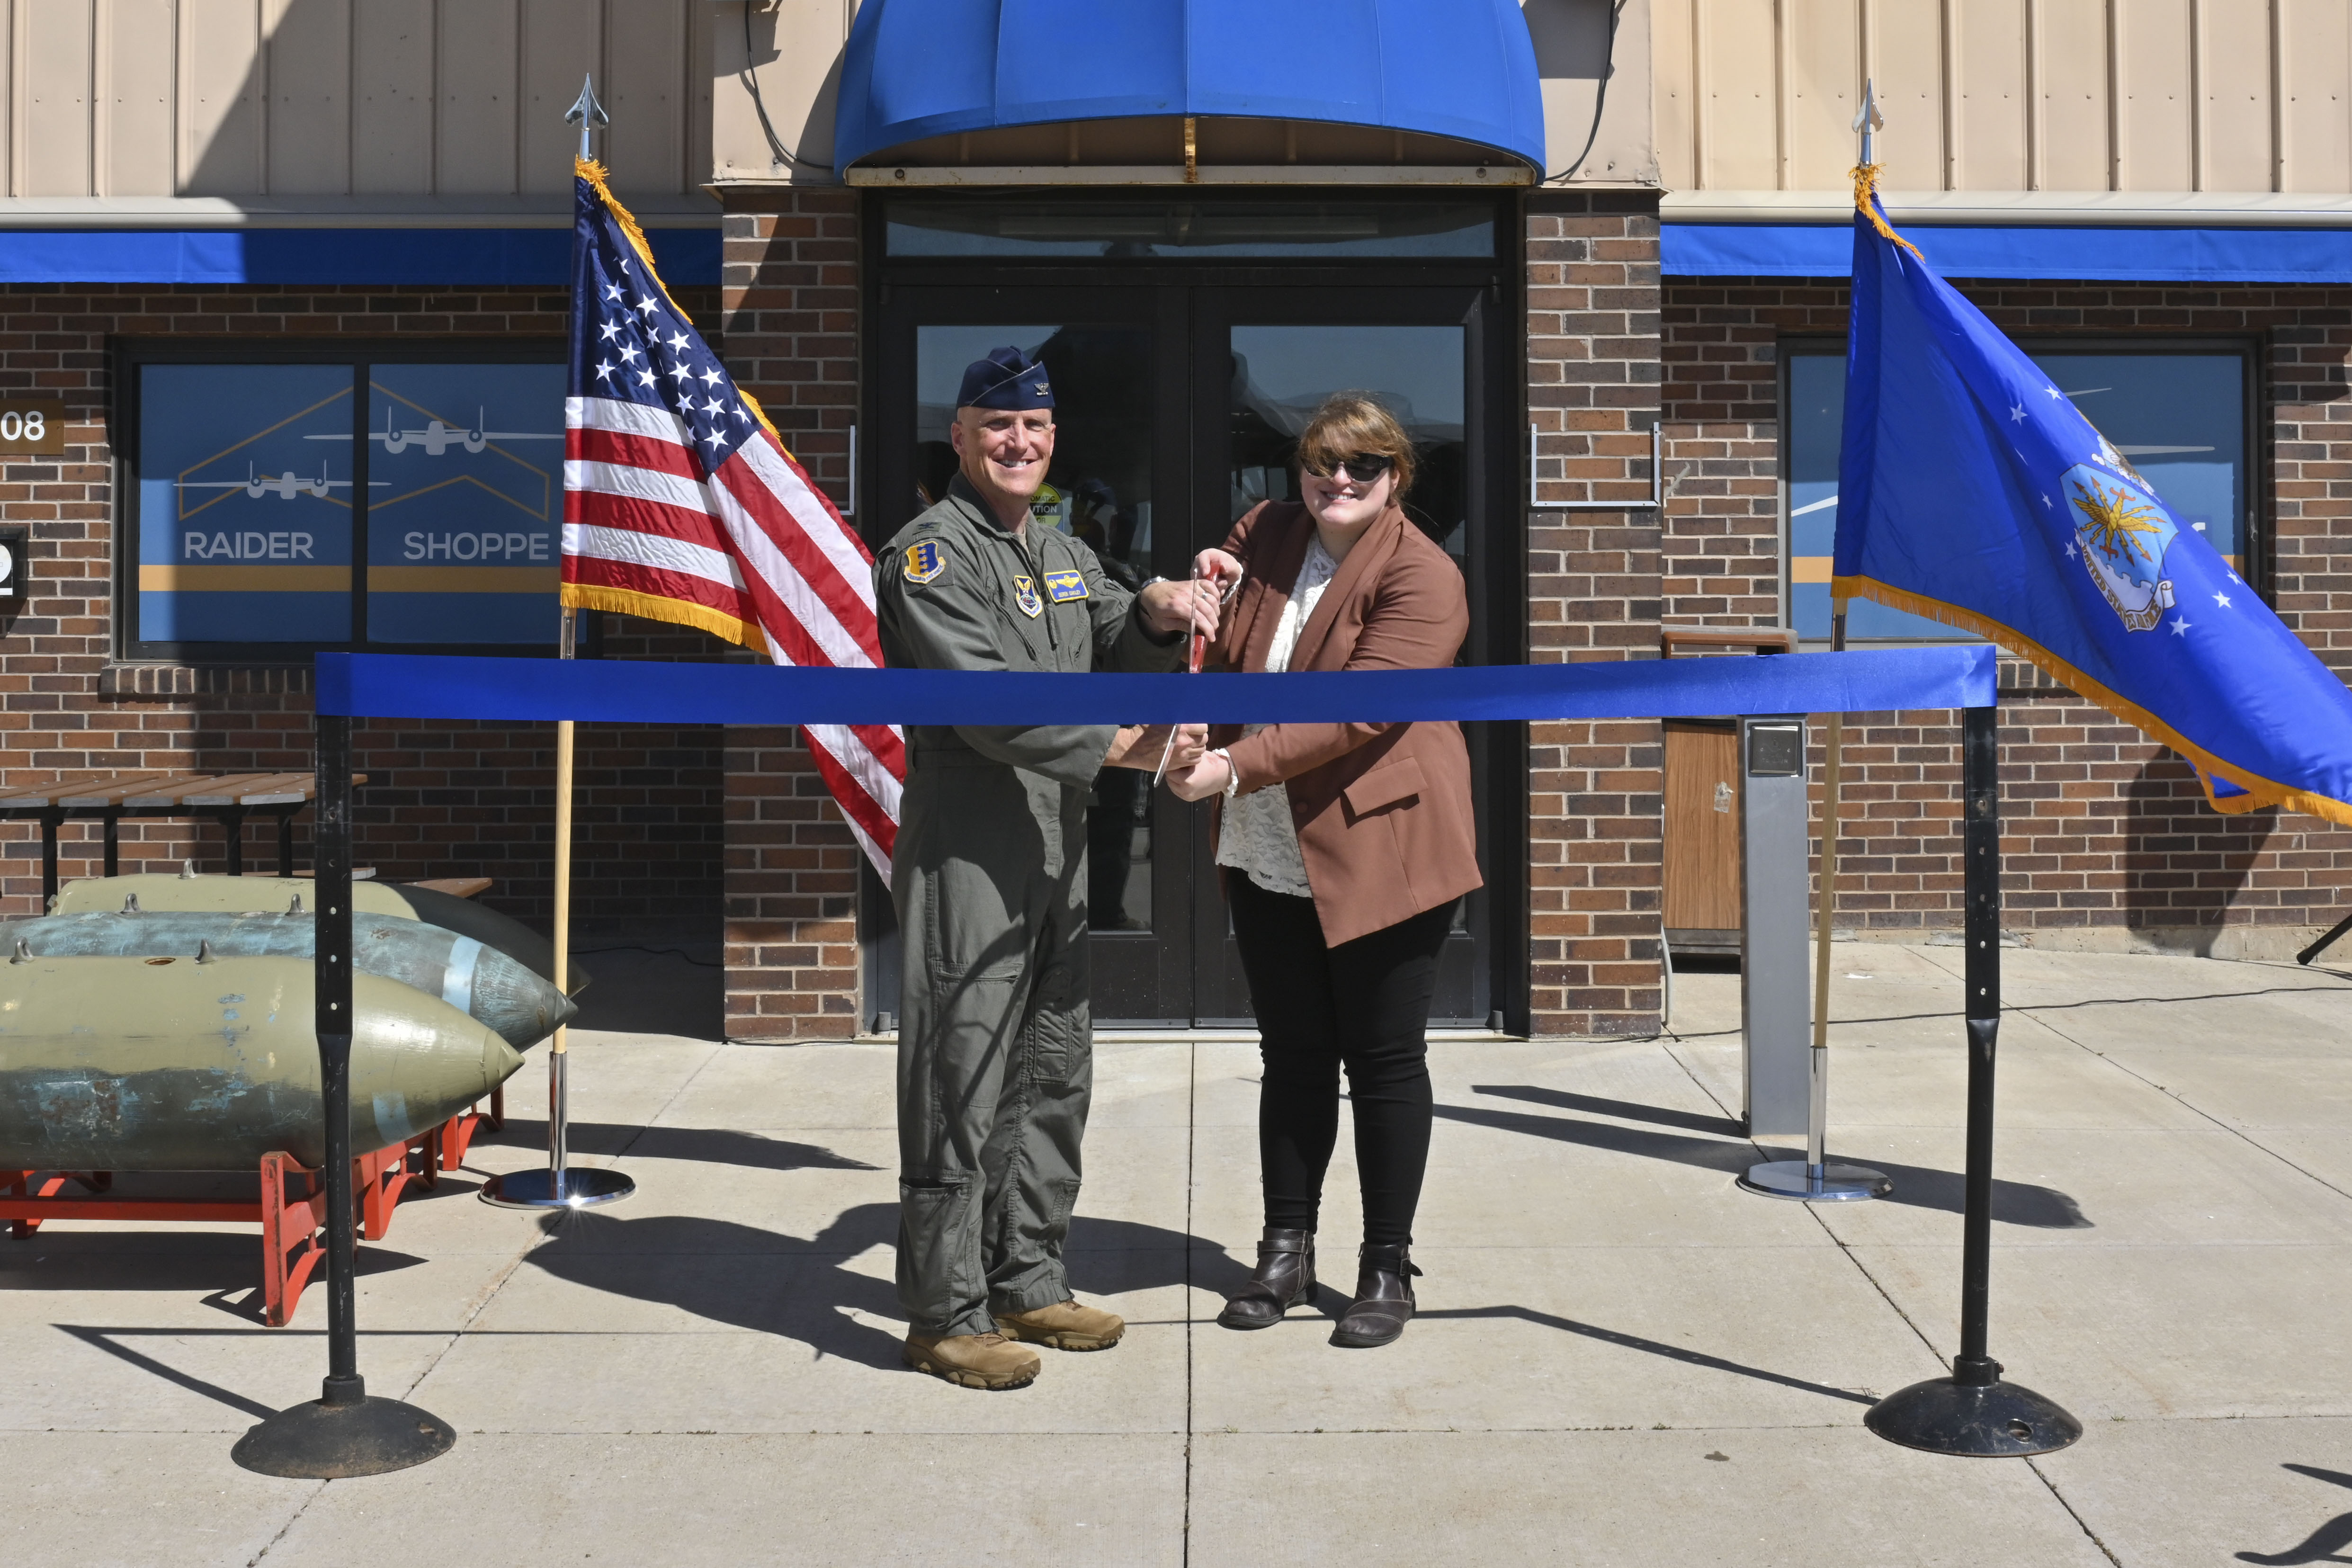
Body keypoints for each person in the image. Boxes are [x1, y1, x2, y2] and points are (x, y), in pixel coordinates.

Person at [875, 345, 1237, 1390]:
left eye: (1035, 427)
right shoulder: (930, 557)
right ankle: (944, 1313)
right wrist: (1127, 751)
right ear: (961, 437)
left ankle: (1027, 1278)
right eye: (998, 426)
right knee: (961, 1070)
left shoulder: (1062, 548)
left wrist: (1162, 608)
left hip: (1059, 845)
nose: (1019, 443)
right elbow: (994, 706)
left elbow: (1111, 626)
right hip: (972, 850)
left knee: (1051, 1066)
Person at [1165, 392, 1483, 1349]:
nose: (1336, 483)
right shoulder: (1265, 529)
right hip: (1268, 840)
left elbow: (1363, 712)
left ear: (1397, 479)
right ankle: (1285, 1252)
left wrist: (1233, 765)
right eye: (1320, 464)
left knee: (1385, 1064)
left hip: (1383, 840)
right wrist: (1193, 589)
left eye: (1362, 468)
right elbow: (1212, 633)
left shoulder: (1426, 576)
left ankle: (1387, 1266)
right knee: (1293, 1056)